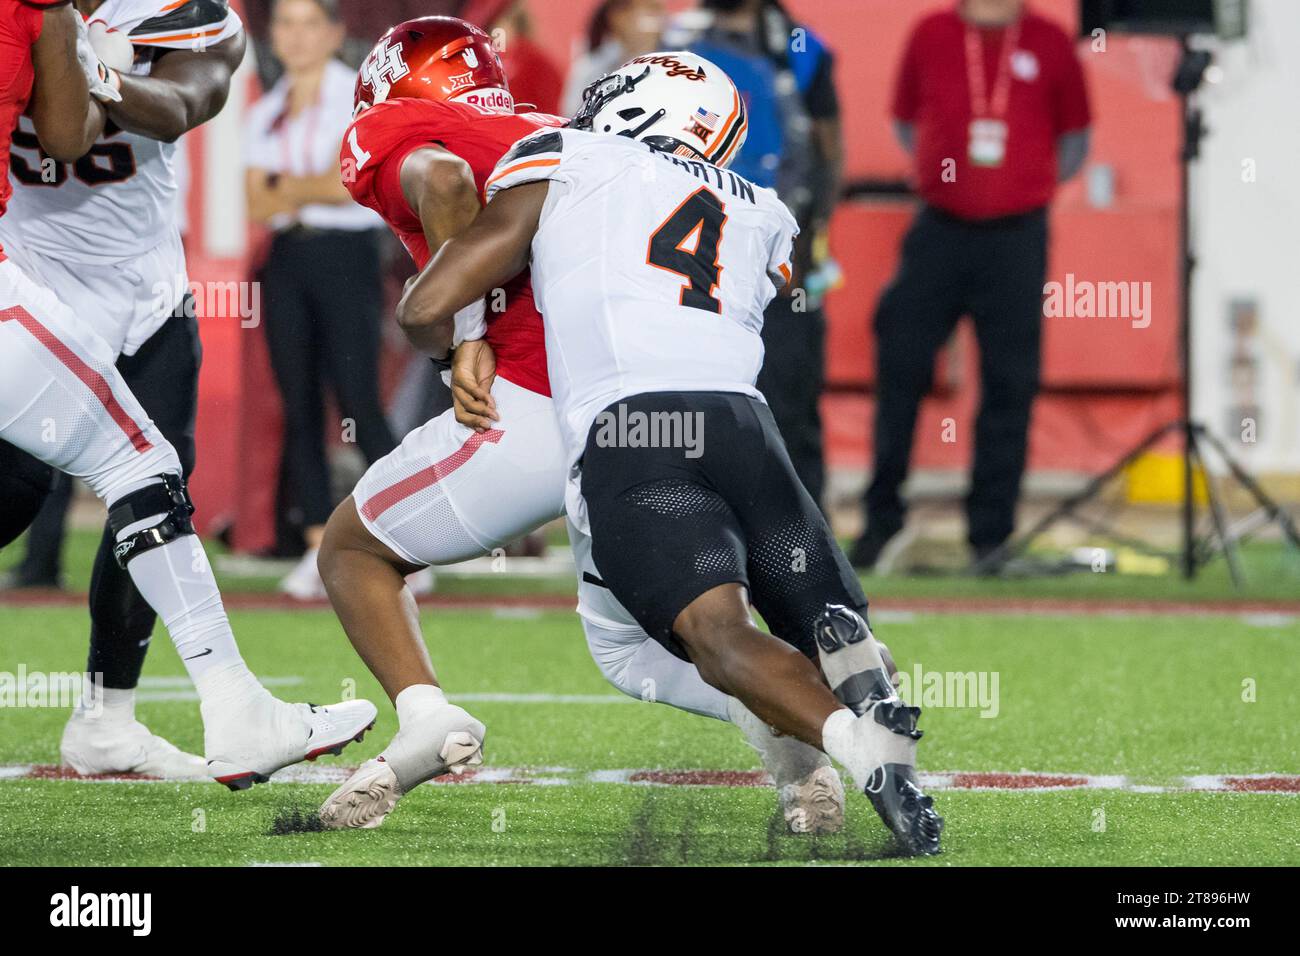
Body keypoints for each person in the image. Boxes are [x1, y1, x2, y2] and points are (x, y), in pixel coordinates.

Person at [386, 52, 945, 855]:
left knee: (715, 637)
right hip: (746, 427)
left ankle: (858, 748)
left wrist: (457, 347)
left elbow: (426, 304)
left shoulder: (570, 156)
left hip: (632, 426)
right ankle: (861, 687)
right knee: (817, 616)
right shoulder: (763, 206)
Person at [314, 18, 847, 835]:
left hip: (532, 403)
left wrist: (465, 339)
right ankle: (798, 749)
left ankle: (426, 716)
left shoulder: (397, 127)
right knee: (633, 650)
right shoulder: (557, 127)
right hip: (644, 402)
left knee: (352, 549)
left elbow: (449, 179)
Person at [0, 0, 376, 789]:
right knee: (16, 497)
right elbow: (63, 136)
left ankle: (109, 715)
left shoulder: (190, 14)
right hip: (33, 279)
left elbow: (179, 106)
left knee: (153, 489)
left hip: (145, 287)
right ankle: (229, 712)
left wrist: (95, 70)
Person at [850, 0, 1091, 571]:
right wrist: (948, 175)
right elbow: (907, 122)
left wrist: (1019, 187)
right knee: (901, 361)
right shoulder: (932, 33)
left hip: (1018, 236)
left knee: (1011, 383)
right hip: (939, 227)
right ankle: (882, 519)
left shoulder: (1050, 41)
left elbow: (1074, 140)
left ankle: (991, 536)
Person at [244, 0, 399, 600]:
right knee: (298, 400)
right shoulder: (267, 109)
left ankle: (406, 536)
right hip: (287, 258)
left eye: (311, 23)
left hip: (347, 259)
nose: (298, 36)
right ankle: (315, 544)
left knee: (360, 397)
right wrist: (308, 188)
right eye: (286, 24)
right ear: (274, 36)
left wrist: (291, 186)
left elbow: (351, 184)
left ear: (334, 33)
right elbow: (257, 202)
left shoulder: (355, 99)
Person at [668, 0, 838, 509]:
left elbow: (829, 152)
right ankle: (692, 518)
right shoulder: (676, 44)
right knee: (687, 394)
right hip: (692, 255)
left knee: (788, 394)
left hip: (780, 255)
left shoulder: (803, 48)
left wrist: (805, 243)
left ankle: (804, 531)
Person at [561, 0, 664, 116]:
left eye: (657, 9)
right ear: (618, 16)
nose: (658, 17)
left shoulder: (671, 61)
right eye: (650, 9)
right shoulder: (594, 65)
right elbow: (572, 114)